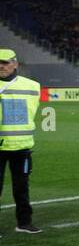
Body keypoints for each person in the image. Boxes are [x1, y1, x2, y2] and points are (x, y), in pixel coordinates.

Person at [0, 48, 42, 234]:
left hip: (22, 147)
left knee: (22, 189)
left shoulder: (33, 86)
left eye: (5, 62)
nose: (1, 66)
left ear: (15, 63)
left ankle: (24, 223)